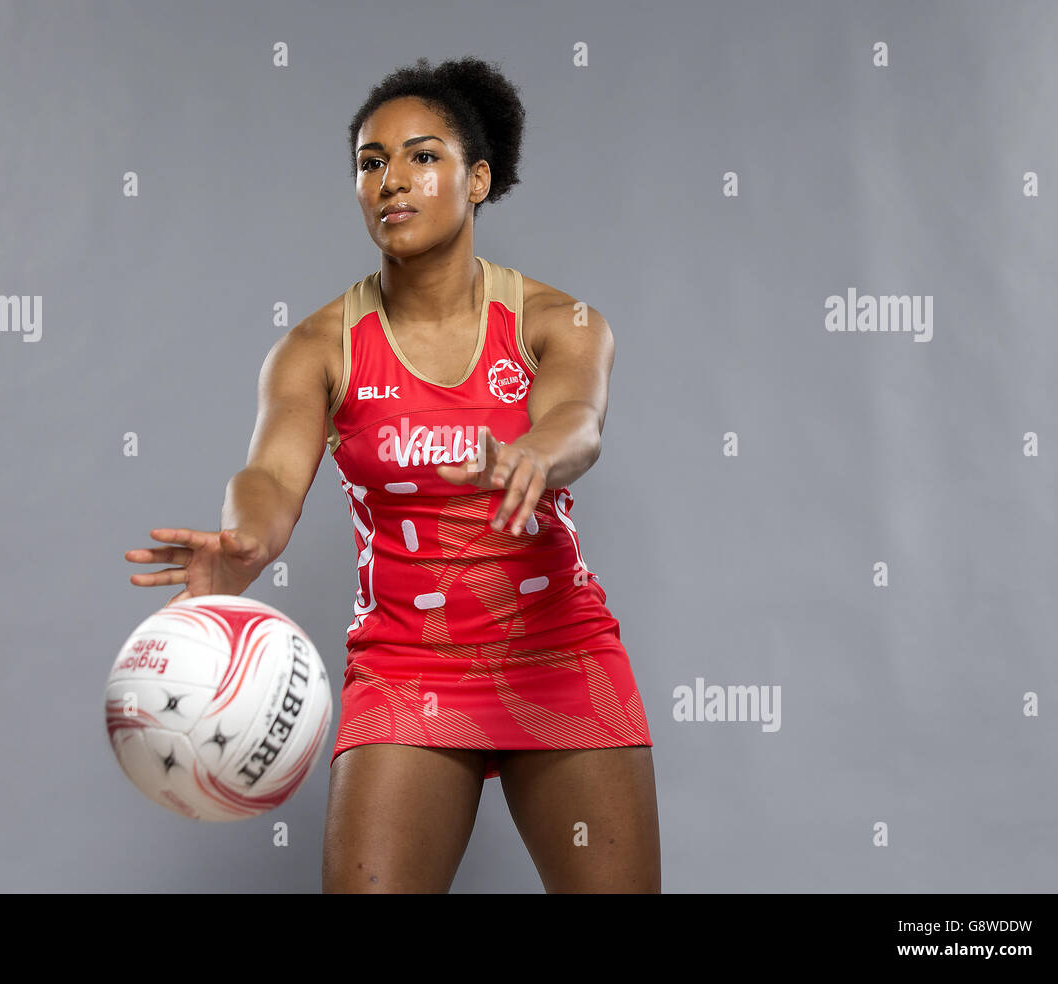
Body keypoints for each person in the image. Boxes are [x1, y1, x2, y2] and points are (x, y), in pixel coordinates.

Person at [125, 56, 660, 893]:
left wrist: (533, 454)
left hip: (556, 650)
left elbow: (577, 424)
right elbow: (269, 472)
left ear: (477, 178)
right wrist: (245, 543)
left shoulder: (560, 320)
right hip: (409, 665)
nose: (392, 181)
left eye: (422, 156)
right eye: (371, 163)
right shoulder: (317, 346)